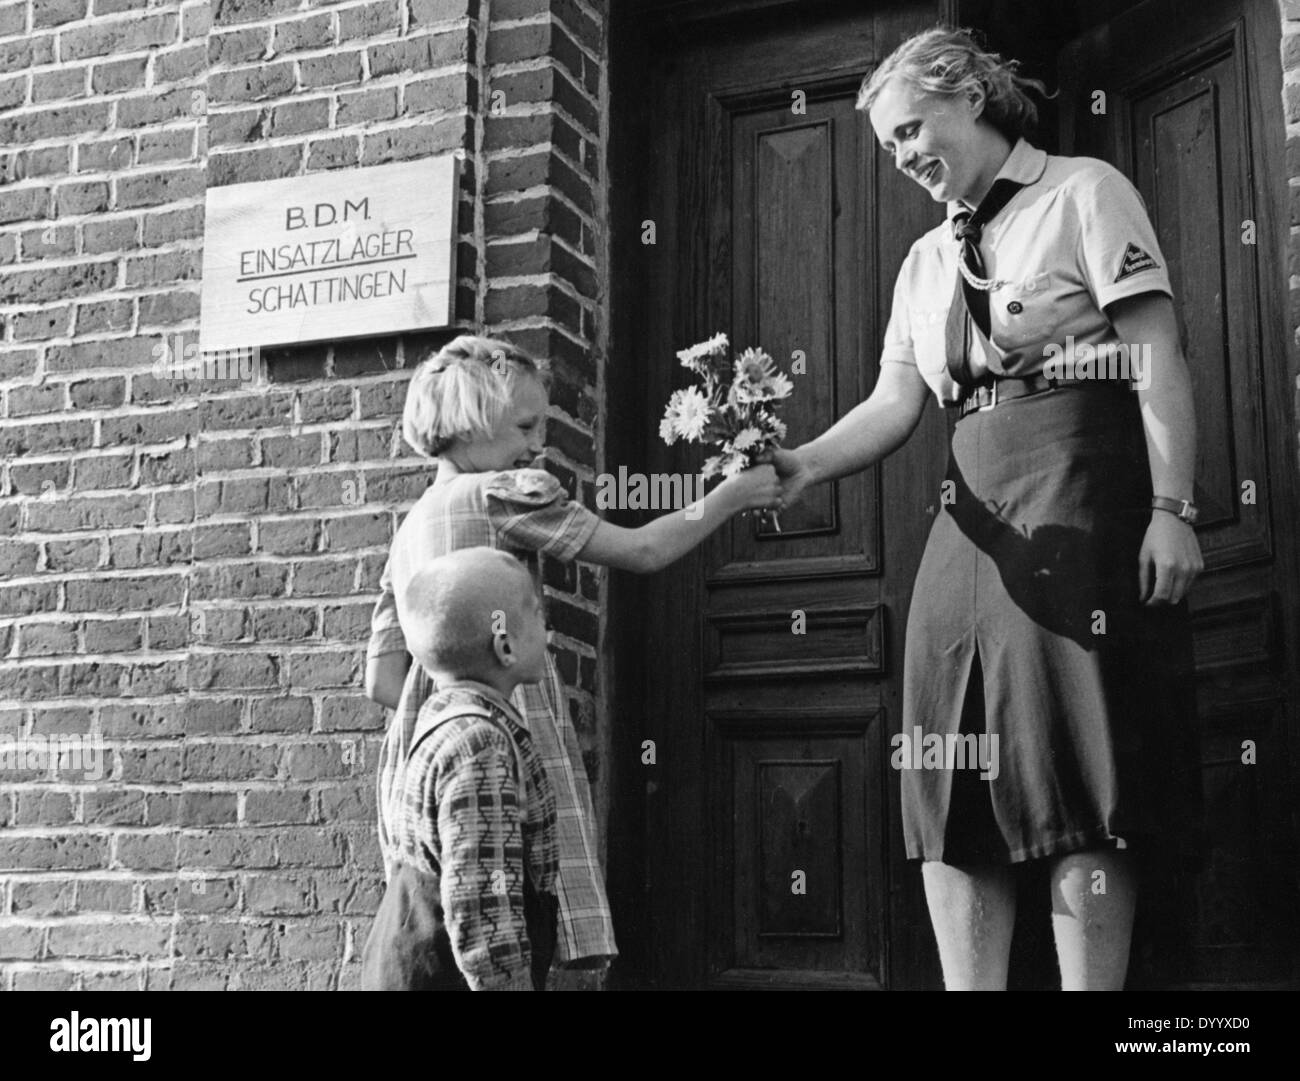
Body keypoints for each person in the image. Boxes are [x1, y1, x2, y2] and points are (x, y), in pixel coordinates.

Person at [770, 27, 1204, 990]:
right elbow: (892, 405)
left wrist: (1173, 507)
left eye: (912, 129)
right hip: (971, 518)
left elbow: (1157, 356)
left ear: (972, 98)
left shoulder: (1085, 192)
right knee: (951, 773)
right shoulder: (925, 260)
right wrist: (800, 464)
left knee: (1081, 767)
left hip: (1082, 483)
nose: (904, 156)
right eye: (889, 147)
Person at [364, 333, 782, 985]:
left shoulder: (409, 527)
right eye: (526, 425)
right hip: (501, 721)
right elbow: (642, 550)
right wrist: (731, 495)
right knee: (523, 908)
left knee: (450, 919)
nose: (538, 443)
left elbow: (384, 680)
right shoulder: (499, 493)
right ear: (471, 419)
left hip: (421, 754)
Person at [363, 548, 559, 990]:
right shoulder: (479, 744)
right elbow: (484, 906)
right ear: (505, 646)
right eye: (537, 613)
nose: (548, 629)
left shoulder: (438, 722)